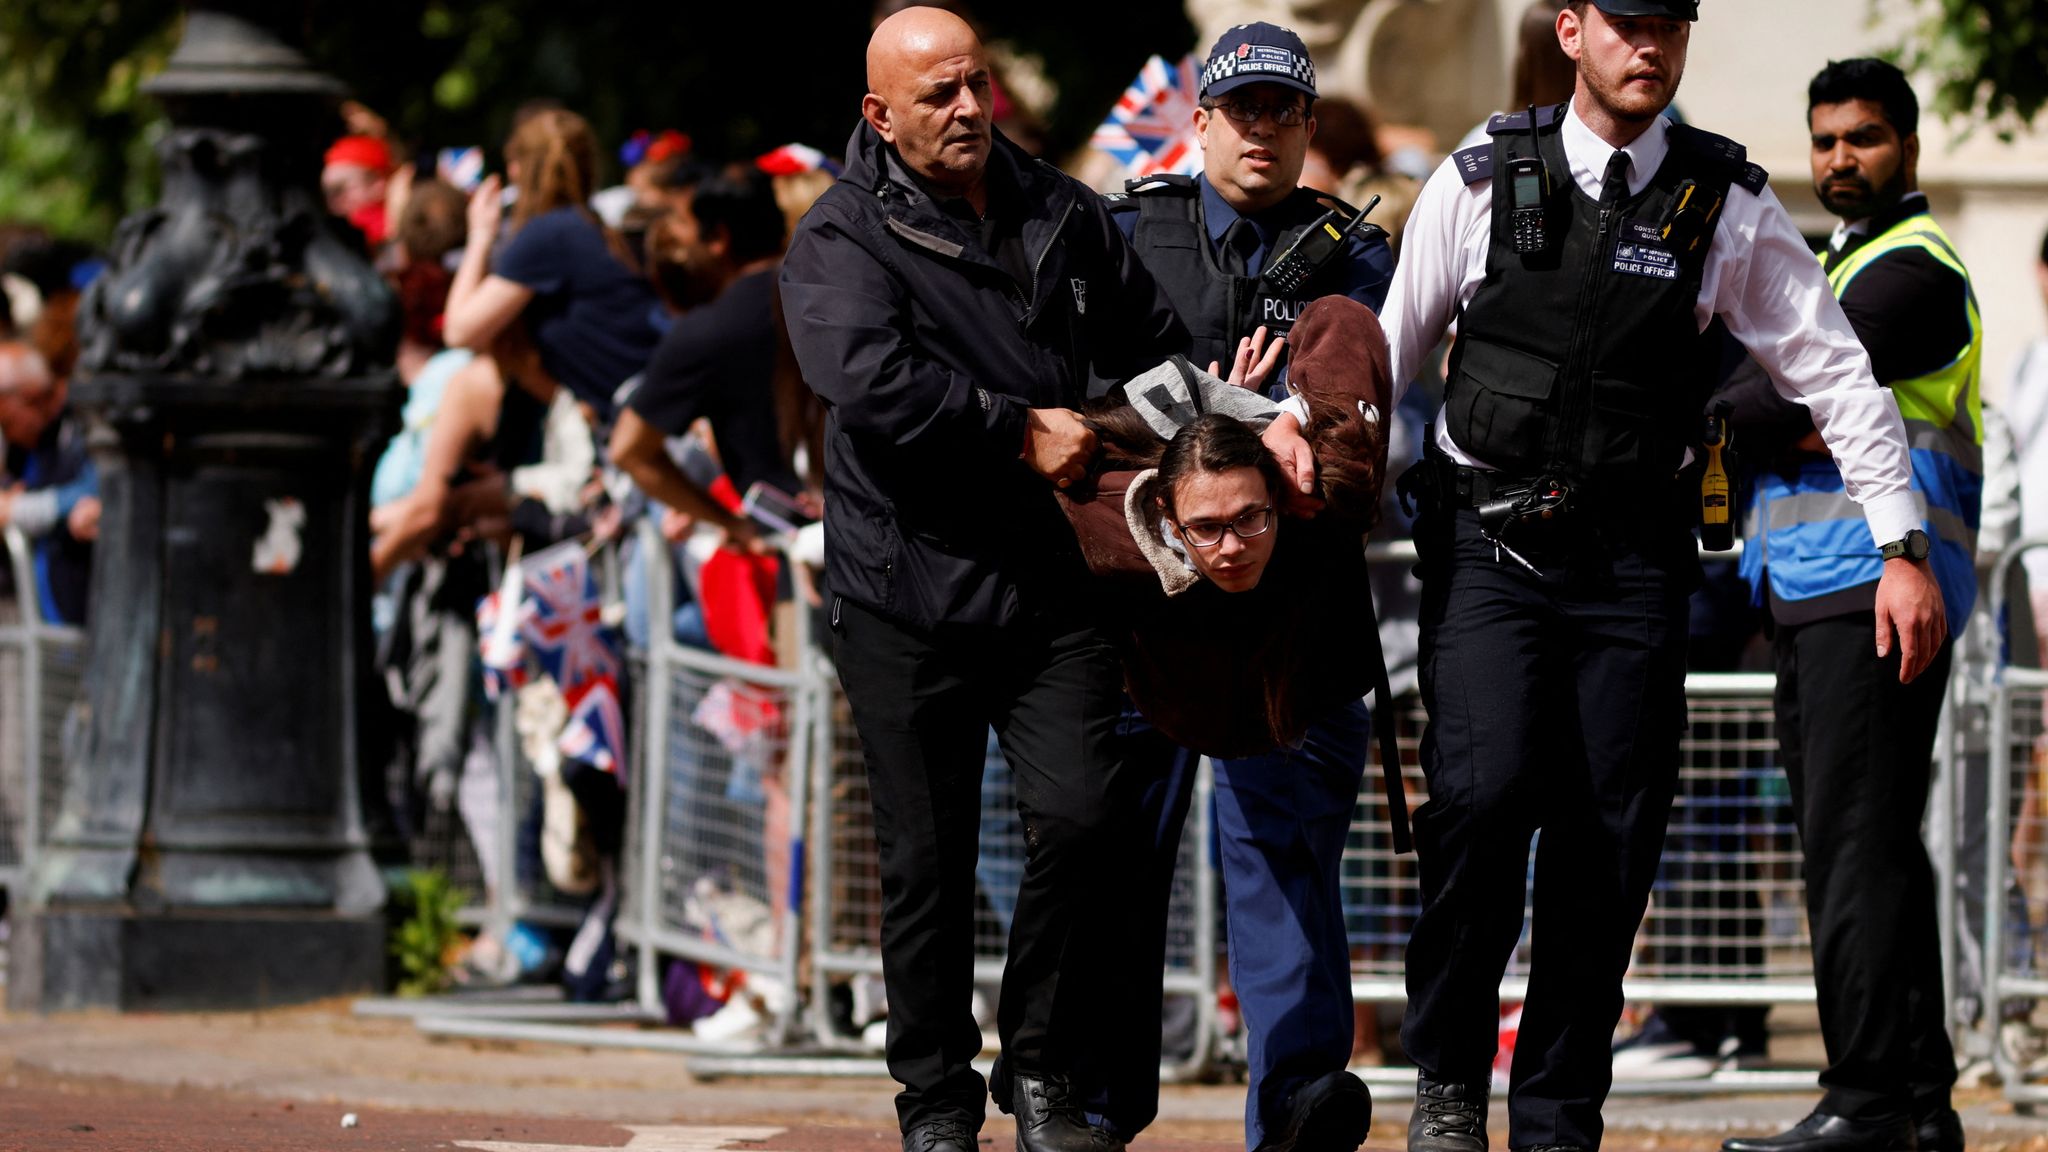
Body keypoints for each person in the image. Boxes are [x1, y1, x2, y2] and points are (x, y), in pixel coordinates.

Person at [1292, 5, 1946, 1151]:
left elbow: (1834, 373)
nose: (1648, 48)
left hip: (1630, 564)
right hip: (1488, 550)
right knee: (1482, 811)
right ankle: (1446, 1085)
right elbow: (1387, 354)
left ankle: (1555, 1117)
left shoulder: (1723, 200)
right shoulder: (1482, 174)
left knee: (1606, 842)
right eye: (1626, 23)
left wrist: (1899, 546)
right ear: (1573, 30)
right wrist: (1319, 464)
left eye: (1668, 27)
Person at [779, 9, 1185, 1152]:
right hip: (904, 589)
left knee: (1084, 821)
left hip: (1053, 585)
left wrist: (1204, 412)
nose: (965, 109)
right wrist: (1017, 432)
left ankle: (1043, 1068)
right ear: (879, 115)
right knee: (926, 861)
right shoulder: (839, 237)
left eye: (975, 85)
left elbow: (1148, 342)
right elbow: (867, 378)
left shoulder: (1062, 209)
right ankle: (937, 1103)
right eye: (936, 96)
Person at [1102, 23, 1392, 1152]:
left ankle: (1299, 1115)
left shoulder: (1354, 255)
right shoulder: (1131, 234)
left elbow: (1353, 429)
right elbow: (1092, 406)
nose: (1260, 130)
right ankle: (1094, 1103)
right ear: (1201, 122)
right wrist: (1228, 412)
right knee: (1119, 860)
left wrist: (1244, 415)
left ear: (1308, 128)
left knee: (1286, 868)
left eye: (1283, 111)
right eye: (1241, 109)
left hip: (1292, 612)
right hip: (1154, 603)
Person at [1716, 58, 1978, 1152]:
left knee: (1851, 844)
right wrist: (1769, 400)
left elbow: (1766, 389)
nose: (1837, 159)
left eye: (1862, 138)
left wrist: (1773, 399)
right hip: (1814, 589)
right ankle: (1914, 1108)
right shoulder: (1831, 264)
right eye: (1823, 141)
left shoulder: (1913, 270)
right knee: (1866, 846)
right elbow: (1756, 393)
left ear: (1905, 146)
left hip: (1872, 587)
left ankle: (1866, 1098)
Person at [610, 167, 800, 544]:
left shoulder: (704, 333)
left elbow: (629, 449)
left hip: (786, 541)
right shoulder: (836, 286)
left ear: (719, 238)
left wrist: (732, 524)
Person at [0, 343, 96, 626]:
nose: (8, 434)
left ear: (28, 397)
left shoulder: (85, 421)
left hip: (86, 612)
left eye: (6, 421)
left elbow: (97, 488)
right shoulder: (30, 445)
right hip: (50, 619)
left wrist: (17, 508)